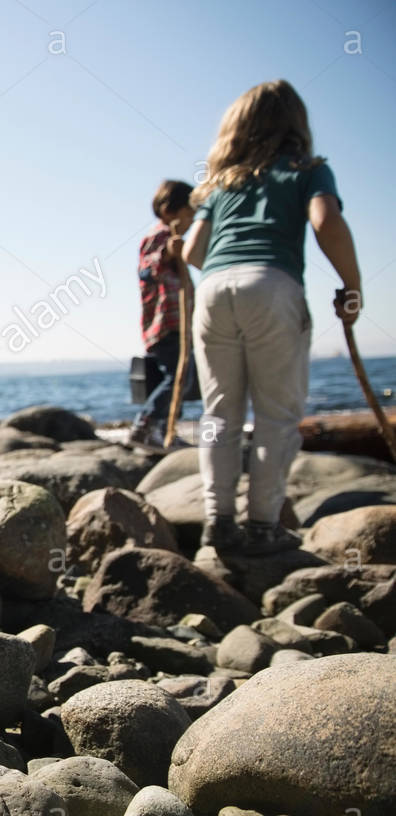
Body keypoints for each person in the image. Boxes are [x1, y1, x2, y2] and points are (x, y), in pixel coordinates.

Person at [183, 79, 361, 555]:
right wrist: (352, 285)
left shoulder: (221, 184)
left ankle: (218, 523)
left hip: (215, 289)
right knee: (276, 414)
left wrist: (229, 267)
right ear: (295, 123)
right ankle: (262, 527)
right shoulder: (308, 170)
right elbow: (325, 222)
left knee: (219, 412)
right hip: (274, 283)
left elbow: (191, 250)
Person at [129, 180, 195, 447]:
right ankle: (145, 424)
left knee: (182, 377)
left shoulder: (175, 240)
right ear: (169, 211)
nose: (192, 220)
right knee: (177, 377)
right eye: (189, 214)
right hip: (165, 324)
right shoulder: (159, 237)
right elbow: (147, 267)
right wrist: (168, 252)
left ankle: (166, 430)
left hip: (179, 324)